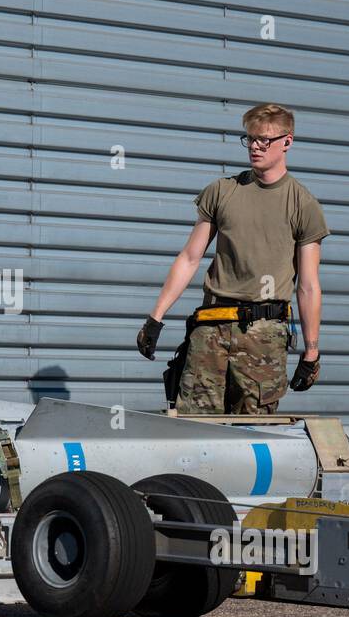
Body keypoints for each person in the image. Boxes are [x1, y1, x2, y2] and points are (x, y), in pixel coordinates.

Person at [136, 103, 328, 414]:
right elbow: (189, 258)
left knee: (253, 432)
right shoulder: (222, 192)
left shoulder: (303, 205)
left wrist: (312, 352)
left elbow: (308, 285)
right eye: (250, 138)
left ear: (287, 142)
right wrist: (155, 318)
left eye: (264, 140)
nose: (255, 146)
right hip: (210, 330)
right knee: (193, 427)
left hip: (263, 336)